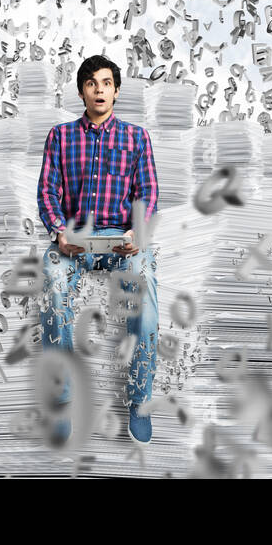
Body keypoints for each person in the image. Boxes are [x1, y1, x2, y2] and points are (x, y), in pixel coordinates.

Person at [36, 54, 159, 444]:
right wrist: (58, 230)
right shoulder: (60, 136)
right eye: (91, 83)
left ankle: (139, 401)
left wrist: (137, 232)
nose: (99, 89)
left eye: (106, 83)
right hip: (74, 237)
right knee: (52, 282)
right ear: (81, 92)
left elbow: (149, 192)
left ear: (117, 90)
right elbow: (47, 191)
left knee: (146, 294)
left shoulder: (136, 138)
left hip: (122, 239)